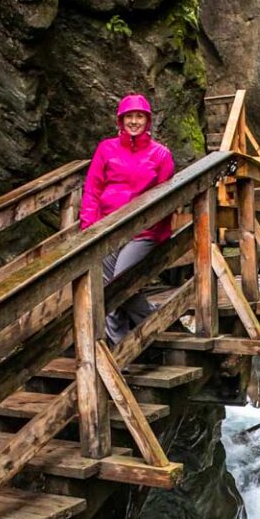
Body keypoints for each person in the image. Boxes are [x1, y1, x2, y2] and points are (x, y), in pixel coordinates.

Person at [80, 93, 175, 344]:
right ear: (121, 121)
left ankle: (155, 324)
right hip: (108, 227)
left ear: (148, 121)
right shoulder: (106, 148)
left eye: (139, 117)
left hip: (143, 232)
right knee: (104, 287)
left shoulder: (161, 155)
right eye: (129, 117)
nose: (134, 121)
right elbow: (93, 188)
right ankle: (120, 344)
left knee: (122, 283)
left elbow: (168, 198)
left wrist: (156, 230)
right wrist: (89, 228)